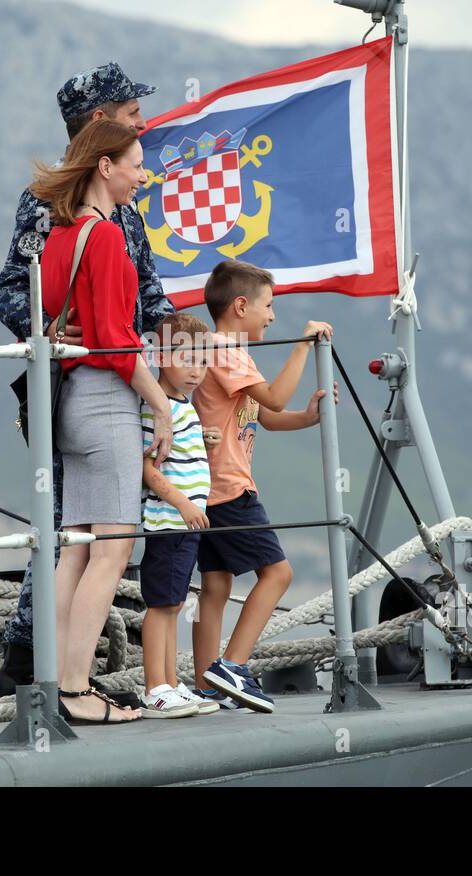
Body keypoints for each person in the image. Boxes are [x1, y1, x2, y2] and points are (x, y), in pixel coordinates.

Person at [0, 62, 174, 699]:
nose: (142, 122)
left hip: (118, 384)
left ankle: (58, 676)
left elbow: (148, 298)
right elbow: (12, 294)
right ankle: (32, 672)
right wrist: (56, 335)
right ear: (100, 127)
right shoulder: (50, 207)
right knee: (77, 534)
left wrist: (185, 348)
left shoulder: (121, 215)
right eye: (130, 114)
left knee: (79, 542)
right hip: (82, 388)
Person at [29, 119, 174, 723]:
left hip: (66, 405)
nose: (145, 175)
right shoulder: (109, 237)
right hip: (108, 403)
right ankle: (77, 690)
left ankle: (54, 680)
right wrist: (162, 405)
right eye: (137, 164)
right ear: (105, 167)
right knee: (112, 552)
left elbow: (60, 323)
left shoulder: (59, 236)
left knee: (75, 551)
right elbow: (118, 344)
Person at [190, 261, 336, 714]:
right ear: (240, 306)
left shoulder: (225, 353)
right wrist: (303, 346)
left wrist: (307, 418)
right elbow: (273, 396)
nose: (272, 316)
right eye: (268, 306)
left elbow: (266, 416)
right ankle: (232, 666)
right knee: (278, 574)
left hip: (204, 491)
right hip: (231, 490)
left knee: (216, 584)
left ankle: (207, 684)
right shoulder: (225, 349)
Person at [136, 312, 220, 718]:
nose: (195, 371)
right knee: (161, 606)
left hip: (183, 526)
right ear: (162, 356)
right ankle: (156, 686)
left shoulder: (181, 406)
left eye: (202, 362)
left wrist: (200, 435)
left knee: (172, 604)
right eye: (186, 359)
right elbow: (148, 469)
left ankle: (171, 681)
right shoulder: (159, 407)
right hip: (169, 524)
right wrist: (183, 504)